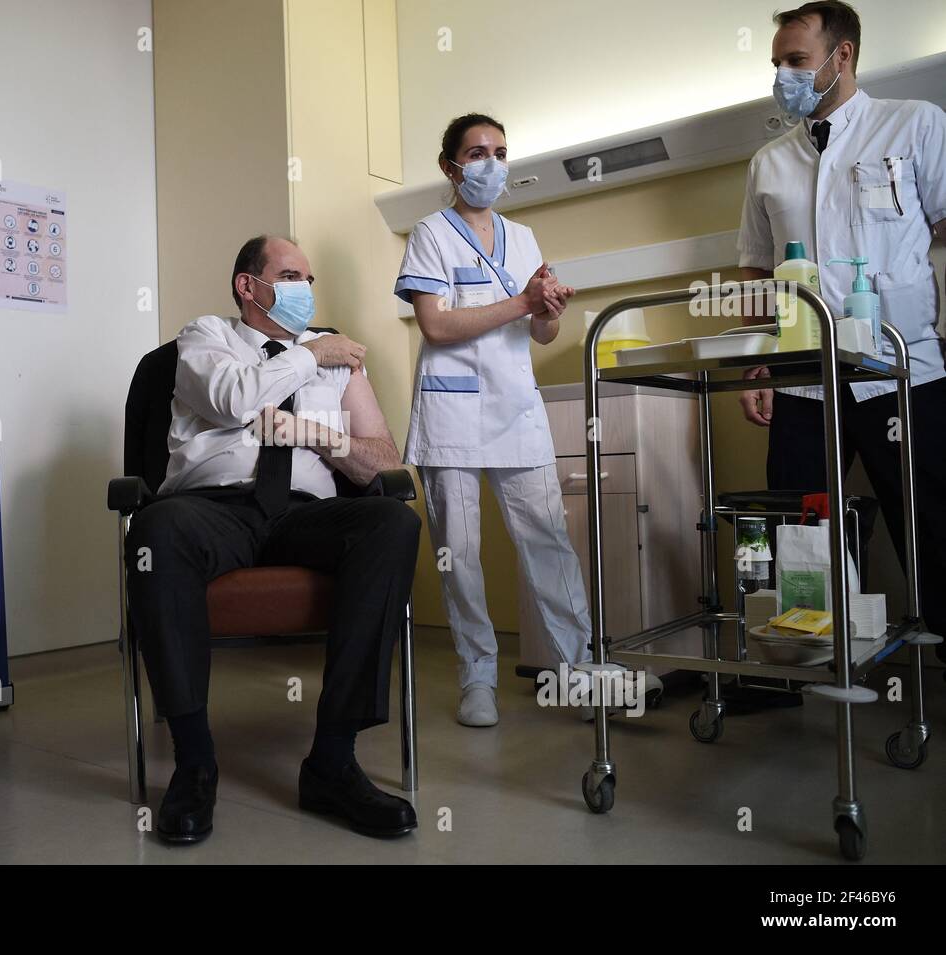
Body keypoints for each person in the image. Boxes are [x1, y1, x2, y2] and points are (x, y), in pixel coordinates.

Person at [126, 235, 422, 844]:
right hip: (213, 509)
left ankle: (333, 761)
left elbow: (383, 460)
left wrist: (315, 433)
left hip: (301, 515)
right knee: (157, 526)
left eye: (309, 279)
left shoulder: (339, 358)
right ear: (247, 286)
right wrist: (312, 356)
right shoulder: (206, 337)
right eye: (290, 275)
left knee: (393, 521)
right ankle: (195, 762)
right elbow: (236, 400)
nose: (304, 291)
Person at [394, 113, 658, 726]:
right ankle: (477, 678)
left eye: (500, 152)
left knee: (548, 543)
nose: (491, 163)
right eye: (477, 152)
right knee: (458, 555)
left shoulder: (525, 237)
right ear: (450, 166)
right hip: (451, 413)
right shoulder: (430, 234)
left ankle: (580, 668)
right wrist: (521, 300)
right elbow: (436, 324)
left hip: (515, 408)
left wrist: (548, 309)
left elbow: (540, 333)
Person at [737, 1, 946, 663]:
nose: (783, 75)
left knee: (931, 524)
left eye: (795, 60)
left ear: (843, 55)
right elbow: (753, 270)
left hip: (901, 366)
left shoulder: (913, 125)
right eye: (776, 63)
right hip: (804, 377)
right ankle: (796, 664)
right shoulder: (769, 161)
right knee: (799, 525)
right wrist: (756, 360)